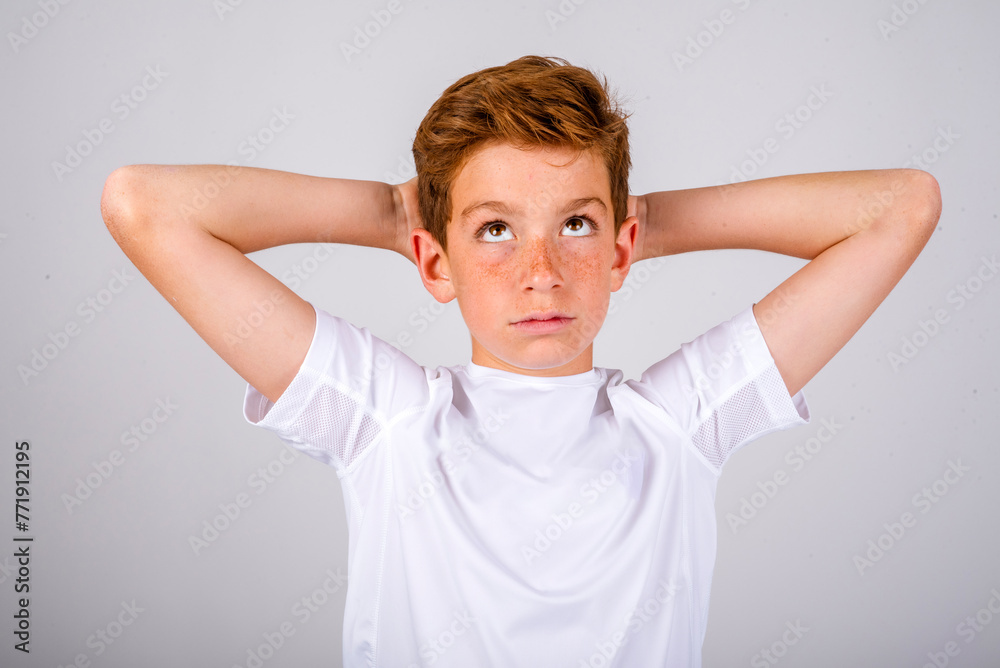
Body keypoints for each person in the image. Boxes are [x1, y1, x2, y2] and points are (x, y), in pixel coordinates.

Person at [101, 55, 941, 667]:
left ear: (620, 250)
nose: (540, 271)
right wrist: (399, 212)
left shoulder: (678, 424)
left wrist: (633, 218)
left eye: (573, 226)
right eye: (495, 229)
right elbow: (144, 205)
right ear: (436, 263)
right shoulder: (384, 419)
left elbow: (900, 208)